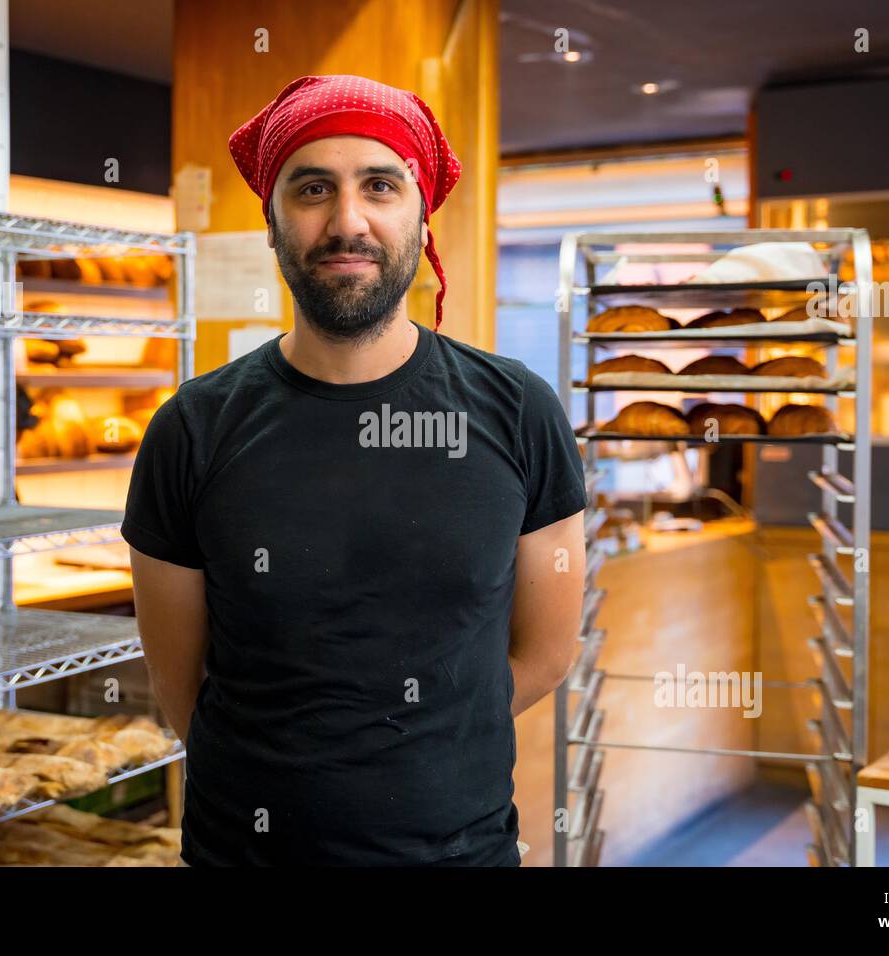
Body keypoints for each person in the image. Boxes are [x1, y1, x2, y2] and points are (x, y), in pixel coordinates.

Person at [123, 74, 588, 866]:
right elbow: (182, 688)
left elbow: (546, 653)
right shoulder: (191, 430)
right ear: (272, 225)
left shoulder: (518, 411)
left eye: (380, 184)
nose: (347, 221)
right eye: (311, 189)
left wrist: (421, 751)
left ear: (420, 210)